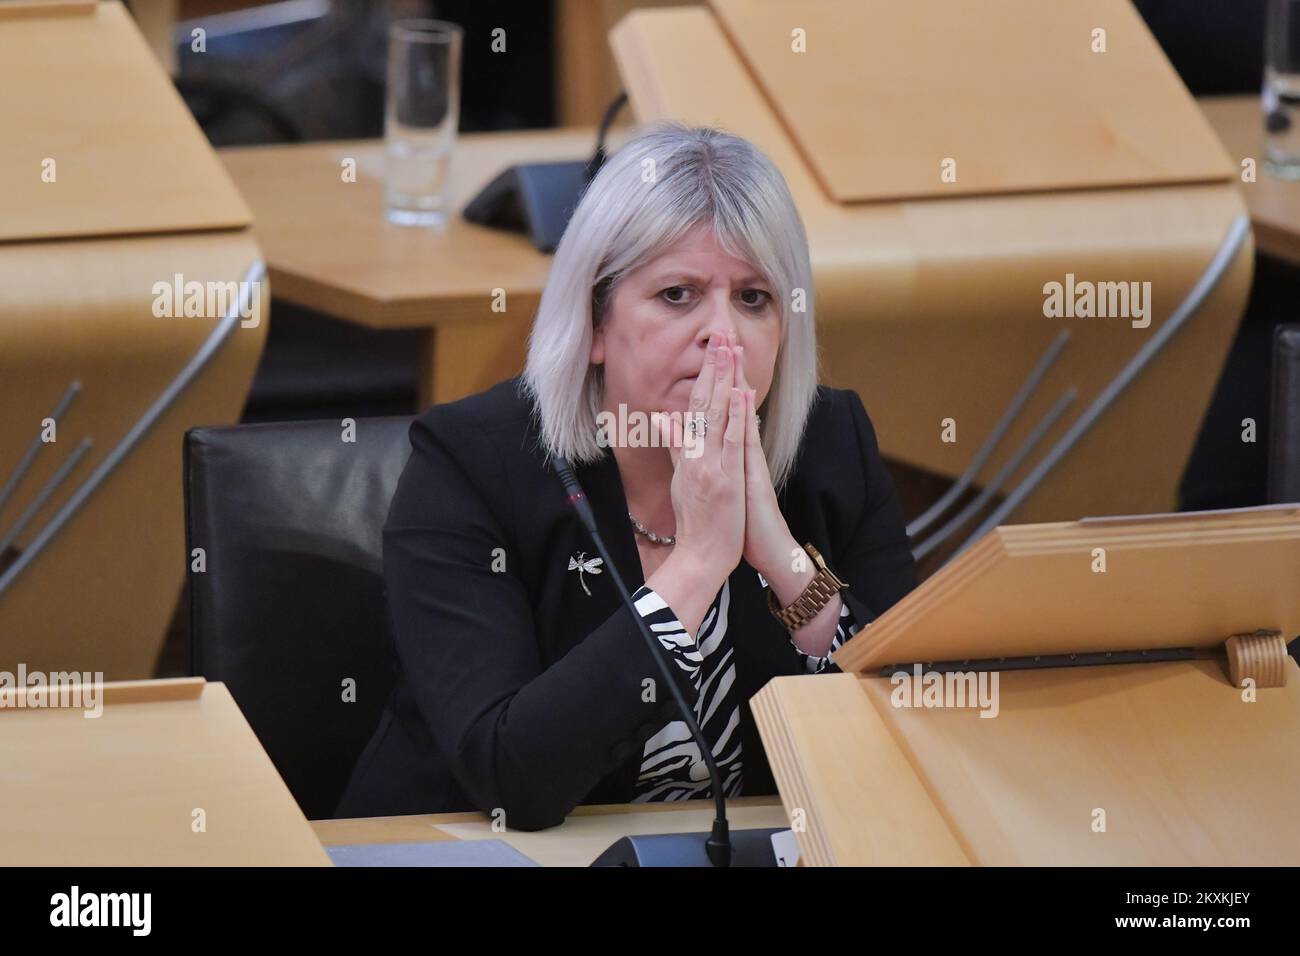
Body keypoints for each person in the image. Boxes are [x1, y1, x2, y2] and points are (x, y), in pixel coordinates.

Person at [335, 122, 917, 830]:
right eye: (678, 294)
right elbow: (511, 779)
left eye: (754, 298)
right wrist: (697, 564)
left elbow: (915, 736)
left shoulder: (832, 446)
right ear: (595, 324)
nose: (723, 334)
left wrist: (788, 567)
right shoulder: (470, 464)